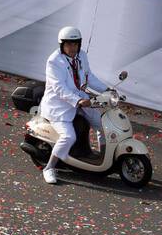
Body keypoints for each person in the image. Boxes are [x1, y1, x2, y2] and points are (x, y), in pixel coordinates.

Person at [39, 26, 112, 184]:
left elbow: (89, 77)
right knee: (68, 137)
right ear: (61, 45)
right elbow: (59, 88)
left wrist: (107, 90)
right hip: (59, 106)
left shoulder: (82, 56)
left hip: (80, 99)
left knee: (103, 124)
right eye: (68, 44)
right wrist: (77, 101)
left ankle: (103, 158)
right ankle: (49, 168)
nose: (72, 48)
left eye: (75, 44)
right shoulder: (54, 61)